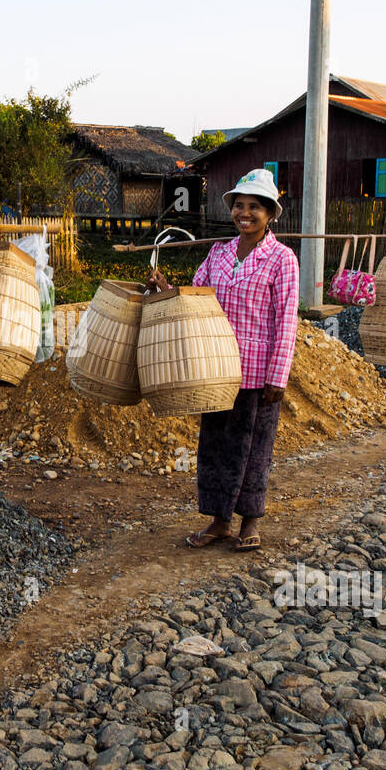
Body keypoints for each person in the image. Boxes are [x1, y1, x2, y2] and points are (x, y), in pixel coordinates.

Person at [147, 168, 298, 552]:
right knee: (215, 445)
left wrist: (277, 377)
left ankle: (250, 522)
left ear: (269, 215)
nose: (244, 214)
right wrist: (164, 289)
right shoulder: (219, 253)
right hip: (214, 369)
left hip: (256, 371)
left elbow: (286, 321)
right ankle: (219, 522)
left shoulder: (282, 259)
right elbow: (195, 298)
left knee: (253, 446)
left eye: (254, 208)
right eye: (239, 206)